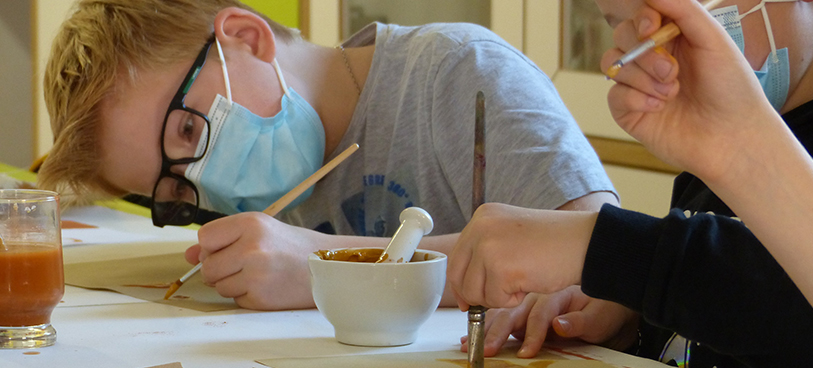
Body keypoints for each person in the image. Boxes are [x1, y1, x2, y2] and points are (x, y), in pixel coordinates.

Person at [38, 0, 618, 310]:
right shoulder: (279, 182)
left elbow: (604, 268)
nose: (206, 179)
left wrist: (326, 271)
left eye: (188, 131)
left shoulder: (460, 71)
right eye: (176, 193)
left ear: (245, 36)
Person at [449, 0, 813, 368]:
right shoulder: (710, 167)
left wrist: (609, 249)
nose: (654, 53)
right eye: (625, 28)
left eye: (670, 22)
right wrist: (635, 317)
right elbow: (730, 315)